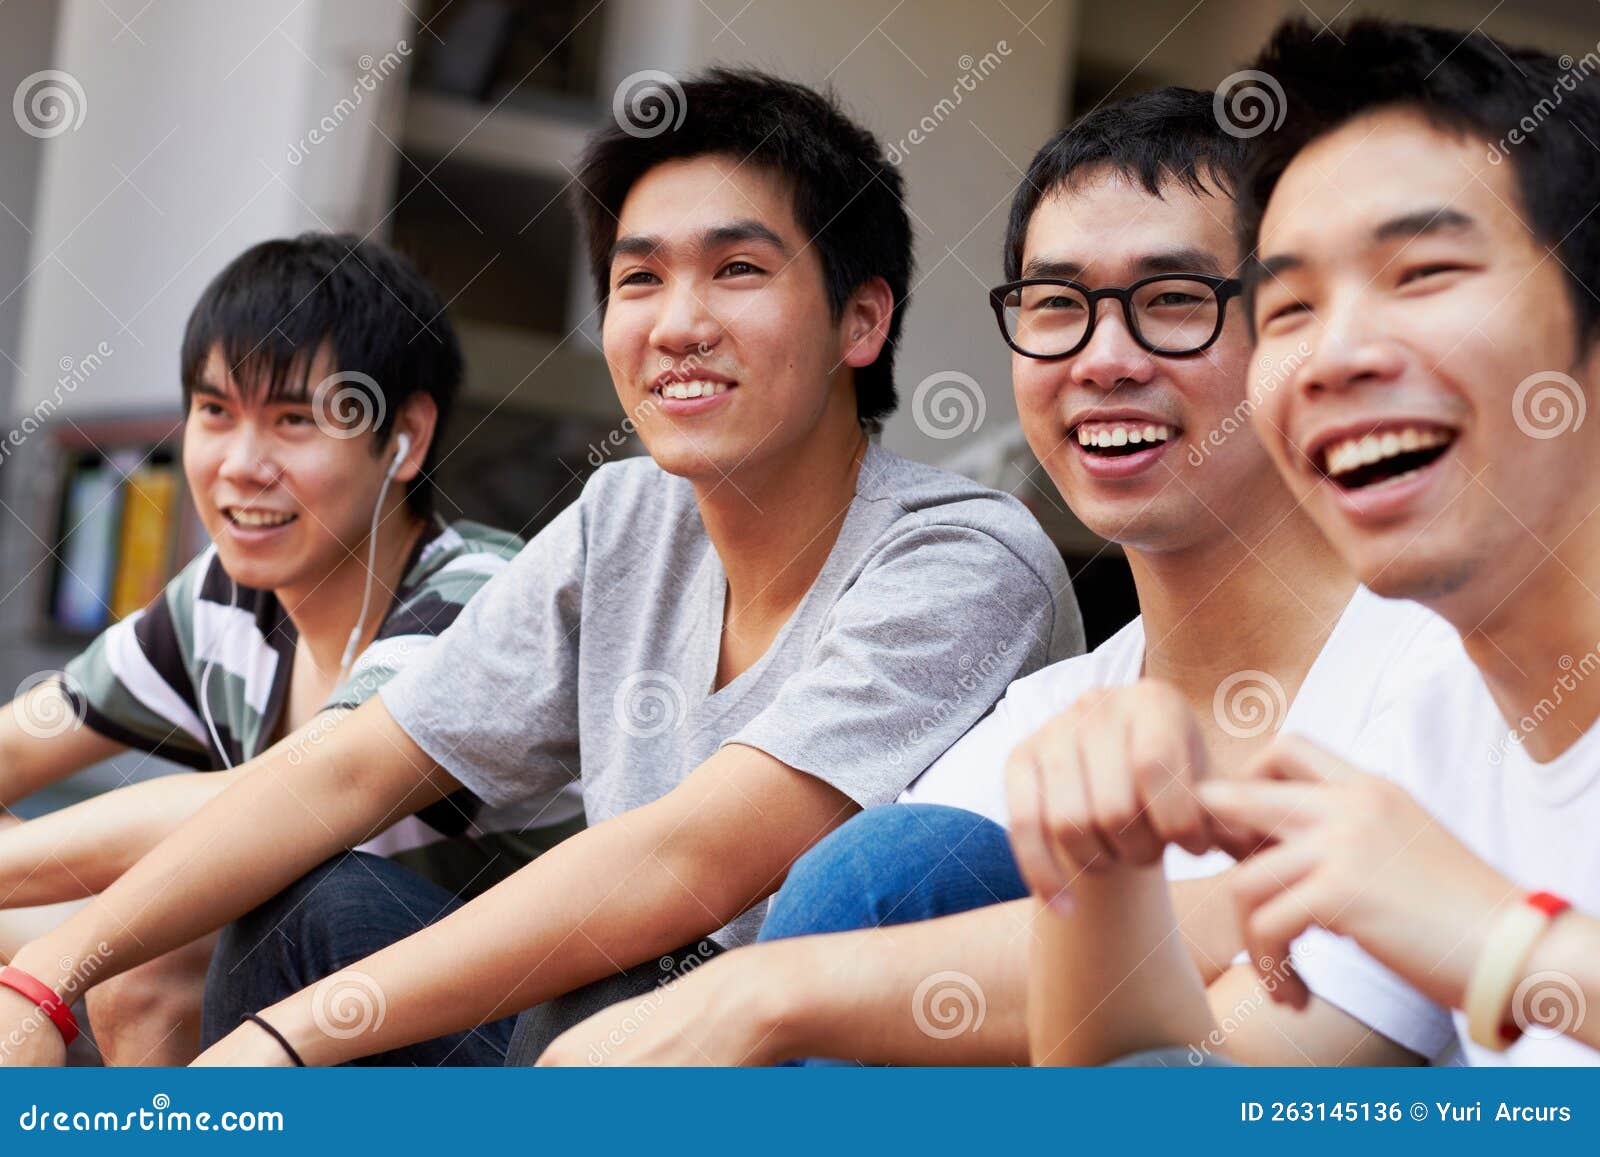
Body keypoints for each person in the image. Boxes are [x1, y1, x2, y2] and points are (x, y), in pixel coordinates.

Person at [0, 68, 1080, 1068]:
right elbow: (349, 769)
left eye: (738, 269)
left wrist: (287, 1038)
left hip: (807, 1069)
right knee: (305, 911)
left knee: (601, 973)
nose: (679, 324)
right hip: (589, 1047)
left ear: (862, 318)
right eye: (640, 278)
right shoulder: (624, 516)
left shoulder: (960, 559)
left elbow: (690, 860)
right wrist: (51, 972)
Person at [538, 88, 1461, 1067]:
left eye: (1174, 300)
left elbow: (1240, 1070)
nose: (1104, 359)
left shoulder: (1446, 673)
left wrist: (773, 992)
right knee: (881, 874)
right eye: (1058, 306)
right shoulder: (1042, 722)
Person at [0, 233, 556, 1065]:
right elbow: (16, 746)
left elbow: (299, 793)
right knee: (137, 948)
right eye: (215, 412)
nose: (241, 465)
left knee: (240, 917)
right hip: (327, 1021)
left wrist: (41, 963)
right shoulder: (223, 601)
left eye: (294, 420)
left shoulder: (479, 592)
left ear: (405, 436)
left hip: (530, 1038)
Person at [1183, 17, 1600, 1066]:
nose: (1336, 355)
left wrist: (1506, 943)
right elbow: (1184, 1105)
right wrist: (1096, 865)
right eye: (1288, 308)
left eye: (1422, 272)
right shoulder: (1434, 736)